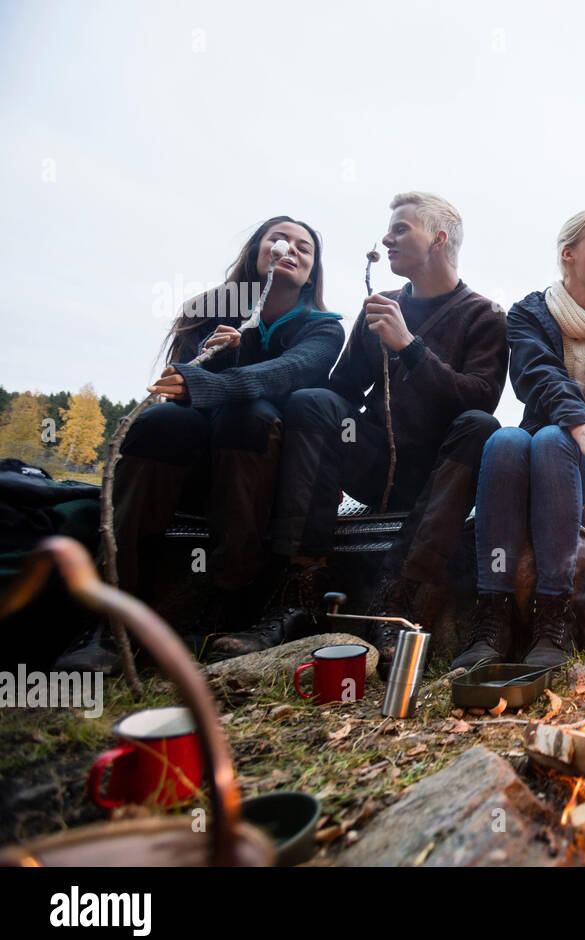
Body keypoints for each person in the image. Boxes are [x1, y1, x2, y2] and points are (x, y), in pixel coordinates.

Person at [209, 192, 507, 668]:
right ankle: (299, 591)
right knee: (315, 403)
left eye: (400, 229)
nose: (386, 239)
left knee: (481, 426)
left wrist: (410, 347)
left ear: (438, 239)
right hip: (369, 463)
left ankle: (398, 599)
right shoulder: (382, 305)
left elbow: (477, 398)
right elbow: (342, 391)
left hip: (438, 476)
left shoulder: (486, 315)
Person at [56, 215, 346, 672]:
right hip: (190, 463)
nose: (289, 249)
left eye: (303, 247)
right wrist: (207, 364)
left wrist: (218, 383)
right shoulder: (206, 310)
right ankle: (112, 621)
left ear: (312, 271)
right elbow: (179, 388)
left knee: (250, 415)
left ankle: (231, 603)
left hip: (263, 473)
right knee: (159, 423)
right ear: (256, 250)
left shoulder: (324, 329)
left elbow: (290, 374)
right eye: (278, 239)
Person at [452, 210, 585, 670]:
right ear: (568, 254)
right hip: (544, 461)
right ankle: (493, 618)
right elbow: (536, 378)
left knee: (549, 438)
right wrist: (579, 427)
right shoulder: (529, 314)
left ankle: (554, 615)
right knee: (506, 440)